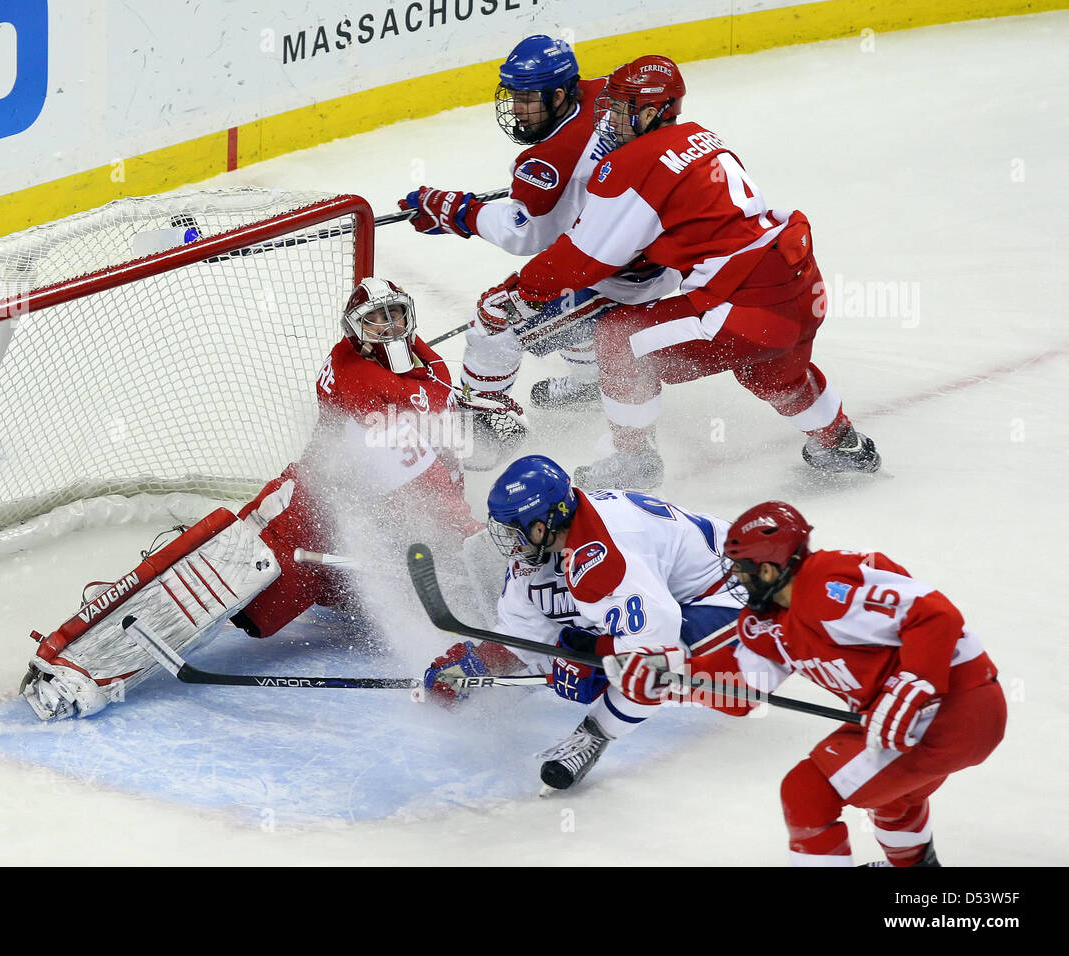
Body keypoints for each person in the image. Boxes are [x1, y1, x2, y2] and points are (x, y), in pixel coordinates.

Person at [20, 278, 513, 719]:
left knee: (440, 585)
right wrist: (475, 532)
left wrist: (472, 418)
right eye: (375, 319)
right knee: (229, 593)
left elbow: (431, 428)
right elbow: (418, 478)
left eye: (396, 315)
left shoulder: (420, 365)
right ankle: (80, 659)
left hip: (371, 537)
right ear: (355, 330)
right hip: (306, 520)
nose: (389, 327)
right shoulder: (361, 385)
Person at [493, 54, 880, 489]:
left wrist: (521, 289)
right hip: (799, 290)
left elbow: (582, 259)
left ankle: (633, 460)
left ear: (650, 113)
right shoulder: (701, 137)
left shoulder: (634, 164)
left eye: (619, 109)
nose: (609, 120)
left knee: (619, 339)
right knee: (773, 371)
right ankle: (841, 442)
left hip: (744, 305)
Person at [607, 501, 1005, 866]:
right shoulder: (769, 620)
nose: (737, 578)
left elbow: (934, 615)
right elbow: (743, 690)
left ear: (767, 570)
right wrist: (670, 677)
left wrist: (913, 684)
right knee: (892, 796)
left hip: (955, 708)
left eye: (742, 568)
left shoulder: (830, 585)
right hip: (916, 720)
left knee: (807, 793)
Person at [396, 37, 679, 439]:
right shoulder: (607, 93)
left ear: (559, 95)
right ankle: (588, 384)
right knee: (560, 289)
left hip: (628, 274)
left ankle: (482, 425)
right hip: (656, 244)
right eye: (513, 96)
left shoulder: (550, 160)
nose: (516, 108)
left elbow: (524, 233)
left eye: (527, 99)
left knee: (497, 317)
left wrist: (458, 212)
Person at [423, 455, 741, 792]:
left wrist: (593, 658)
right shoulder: (549, 547)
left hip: (734, 590)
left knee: (655, 665)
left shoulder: (604, 557)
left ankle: (594, 735)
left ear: (540, 526)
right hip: (665, 597)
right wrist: (477, 664)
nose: (509, 541)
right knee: (575, 644)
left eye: (513, 530)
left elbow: (657, 643)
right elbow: (524, 633)